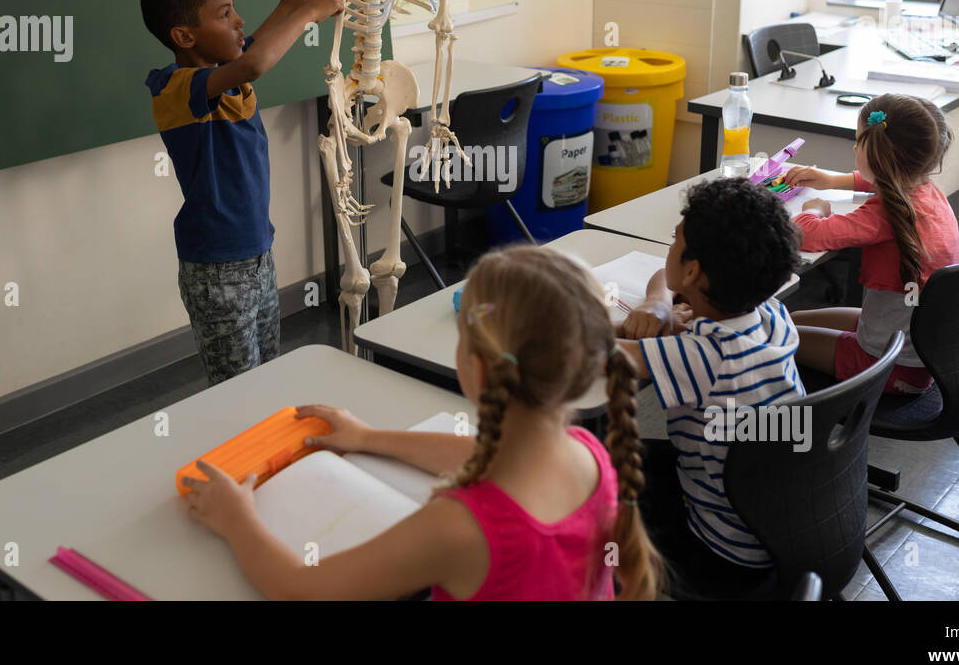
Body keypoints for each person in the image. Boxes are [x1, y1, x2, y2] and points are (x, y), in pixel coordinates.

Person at [181, 244, 662, 600]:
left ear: (477, 367)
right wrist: (368, 438)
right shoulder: (590, 452)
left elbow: (302, 586)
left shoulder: (459, 527)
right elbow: (480, 453)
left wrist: (236, 519)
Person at [138, 0, 347, 384]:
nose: (240, 22)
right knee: (237, 395)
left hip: (257, 255)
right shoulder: (177, 88)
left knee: (265, 379)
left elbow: (290, 4)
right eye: (225, 14)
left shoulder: (222, 71)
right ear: (185, 36)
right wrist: (315, 12)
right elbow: (261, 56)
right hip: (216, 271)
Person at [616, 177, 803, 587]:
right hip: (771, 529)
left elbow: (586, 354)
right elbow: (663, 278)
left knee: (596, 469)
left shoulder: (703, 357)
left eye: (672, 239)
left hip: (718, 552)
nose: (667, 247)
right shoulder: (772, 315)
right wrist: (659, 304)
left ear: (694, 272)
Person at [784, 93, 959, 394]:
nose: (854, 147)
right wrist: (831, 180)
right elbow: (883, 179)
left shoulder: (886, 214)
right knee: (789, 319)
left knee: (774, 335)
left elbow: (806, 234)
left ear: (878, 153)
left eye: (858, 141)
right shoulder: (926, 191)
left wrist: (814, 209)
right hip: (918, 354)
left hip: (886, 368)